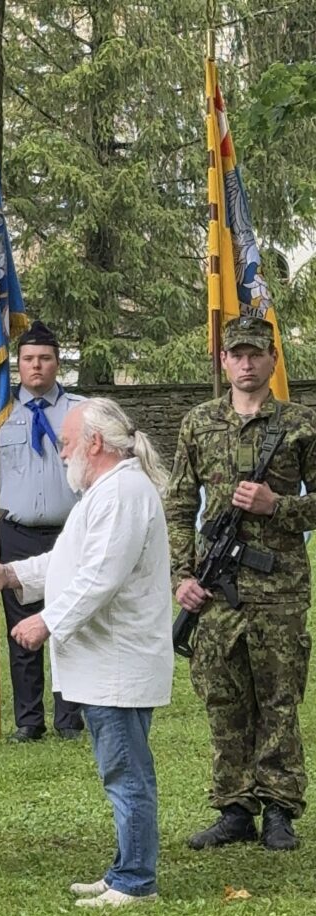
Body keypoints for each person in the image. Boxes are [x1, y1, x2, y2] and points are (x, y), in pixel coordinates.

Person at [0, 398, 173, 906]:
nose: (60, 452)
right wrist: (10, 575)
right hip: (105, 659)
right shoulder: (104, 492)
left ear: (95, 443)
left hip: (118, 660)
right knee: (120, 767)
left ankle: (136, 881)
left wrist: (46, 621)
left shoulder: (124, 492)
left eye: (66, 442)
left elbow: (99, 577)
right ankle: (126, 868)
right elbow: (67, 562)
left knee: (126, 770)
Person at [166, 314, 316, 851]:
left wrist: (280, 506)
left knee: (278, 697)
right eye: (237, 354)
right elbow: (180, 504)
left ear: (274, 359)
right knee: (224, 697)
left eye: (257, 353)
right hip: (216, 588)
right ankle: (234, 807)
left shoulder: (301, 424)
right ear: (224, 361)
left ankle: (279, 809)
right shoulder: (198, 423)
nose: (247, 363)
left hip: (279, 590)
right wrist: (181, 576)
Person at [0, 320, 86, 742]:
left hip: (69, 531)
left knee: (69, 620)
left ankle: (70, 717)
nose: (37, 366)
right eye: (29, 359)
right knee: (20, 626)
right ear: (17, 365)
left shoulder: (80, 412)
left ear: (58, 363)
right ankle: (28, 720)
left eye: (46, 359)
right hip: (15, 532)